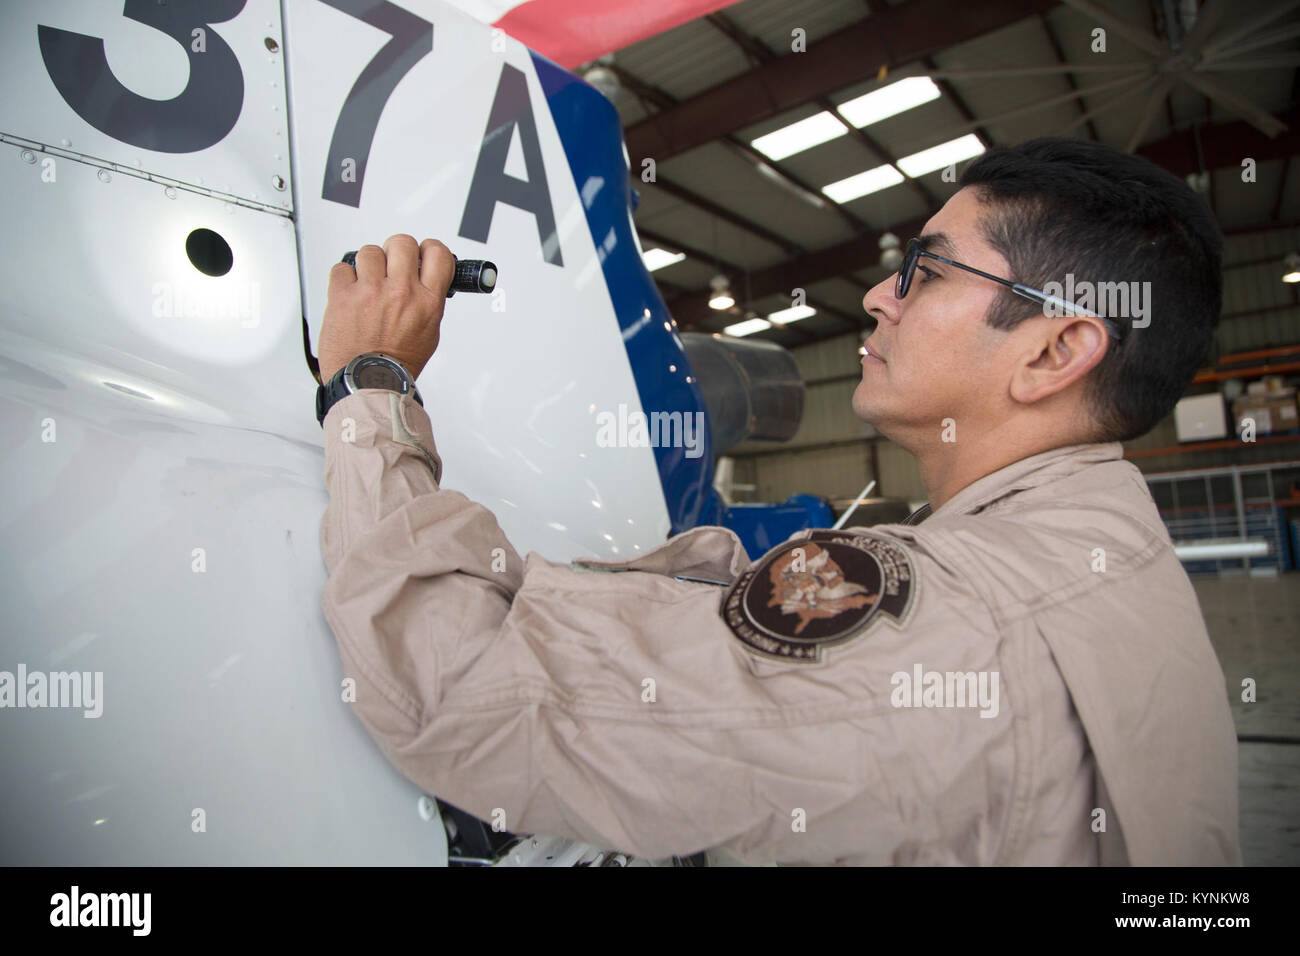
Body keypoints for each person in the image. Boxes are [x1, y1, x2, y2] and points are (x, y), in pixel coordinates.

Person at [314, 137, 1240, 865]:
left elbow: (460, 691)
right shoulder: (1111, 549)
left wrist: (369, 384)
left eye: (927, 270)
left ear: (1052, 352)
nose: (880, 295)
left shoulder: (954, 614)